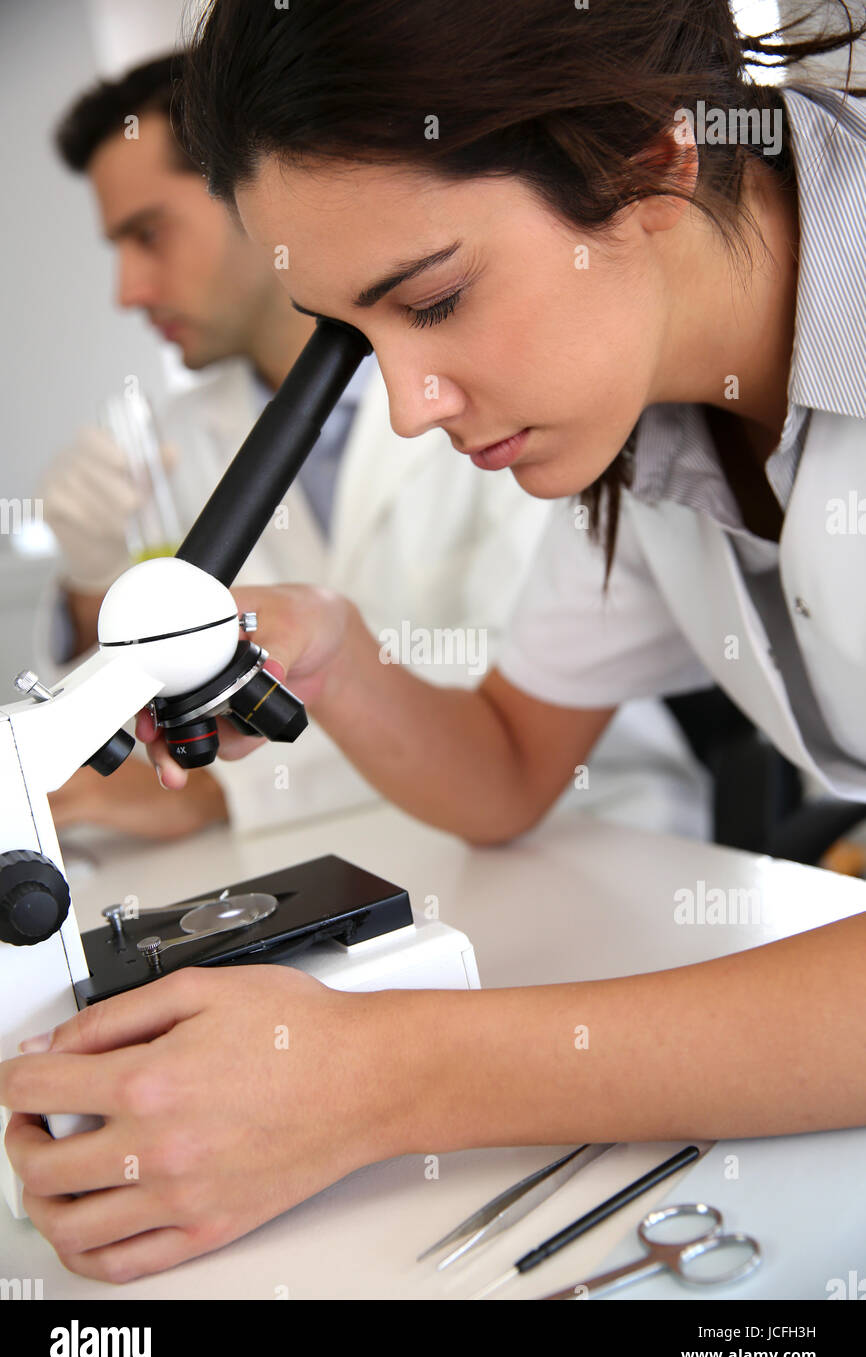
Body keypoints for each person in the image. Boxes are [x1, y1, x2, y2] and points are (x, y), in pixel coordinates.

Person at [3, 0, 864, 1285]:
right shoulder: (650, 416)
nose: (409, 408)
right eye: (358, 335)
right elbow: (512, 765)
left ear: (646, 156)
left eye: (438, 298)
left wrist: (376, 1077)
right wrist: (329, 651)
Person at [39, 53, 708, 843]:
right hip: (343, 847)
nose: (128, 290)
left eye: (149, 234)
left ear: (256, 207)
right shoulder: (172, 448)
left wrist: (221, 794)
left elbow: (500, 707)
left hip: (592, 836)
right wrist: (92, 582)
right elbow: (151, 693)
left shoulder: (526, 384)